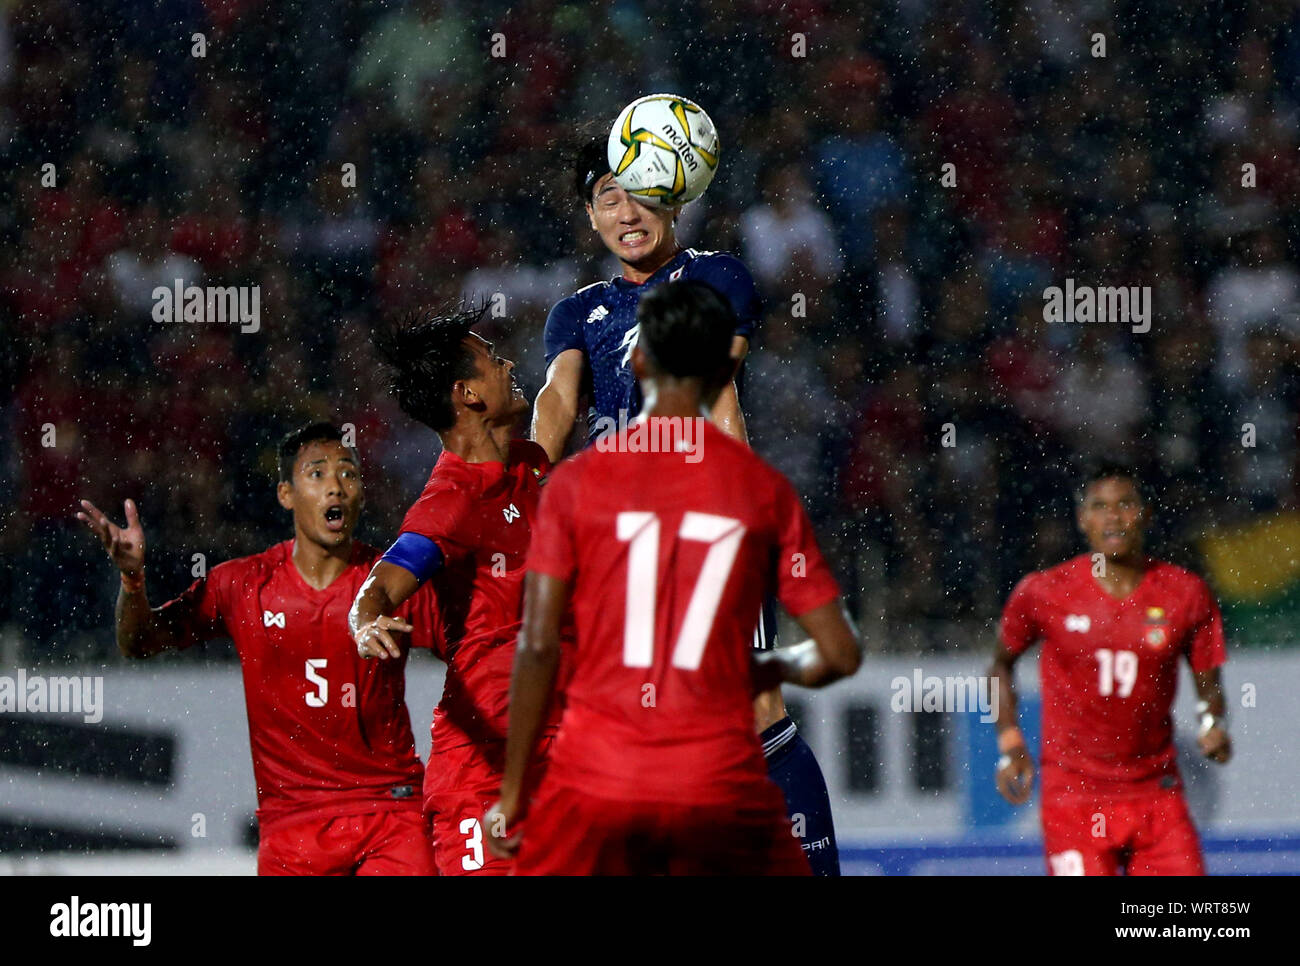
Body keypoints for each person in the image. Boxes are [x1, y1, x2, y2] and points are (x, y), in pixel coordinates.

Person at [530, 137, 844, 873]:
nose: (627, 211)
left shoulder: (718, 278)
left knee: (757, 709)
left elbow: (720, 390)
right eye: (608, 196)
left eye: (641, 193)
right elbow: (555, 404)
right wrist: (517, 490)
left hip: (707, 527)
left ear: (672, 197)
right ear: (589, 214)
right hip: (621, 543)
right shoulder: (576, 313)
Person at [487, 280, 861, 875]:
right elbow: (841, 653)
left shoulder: (576, 488)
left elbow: (535, 648)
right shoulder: (760, 494)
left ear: (636, 361)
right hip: (714, 778)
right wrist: (767, 666)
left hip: (600, 775)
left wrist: (511, 793)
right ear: (721, 373)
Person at [76, 422, 437, 876]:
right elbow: (140, 642)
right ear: (286, 494)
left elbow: (473, 652)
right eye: (318, 473)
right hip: (294, 827)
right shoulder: (242, 585)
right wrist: (132, 580)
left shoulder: (393, 584)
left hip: (390, 812)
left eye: (348, 474)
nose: (336, 488)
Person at [349, 307, 558, 876]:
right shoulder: (451, 502)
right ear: (467, 394)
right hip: (483, 774)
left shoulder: (532, 466)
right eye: (494, 358)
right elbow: (384, 583)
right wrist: (367, 621)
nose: (510, 362)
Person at [990, 462, 1233, 876]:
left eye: (1125, 504)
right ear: (1083, 519)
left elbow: (1207, 675)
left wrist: (1213, 721)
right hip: (1074, 797)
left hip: (1156, 792)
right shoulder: (1045, 591)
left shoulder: (1184, 593)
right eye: (1100, 506)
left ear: (1146, 514)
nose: (1113, 517)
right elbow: (999, 666)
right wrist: (1010, 742)